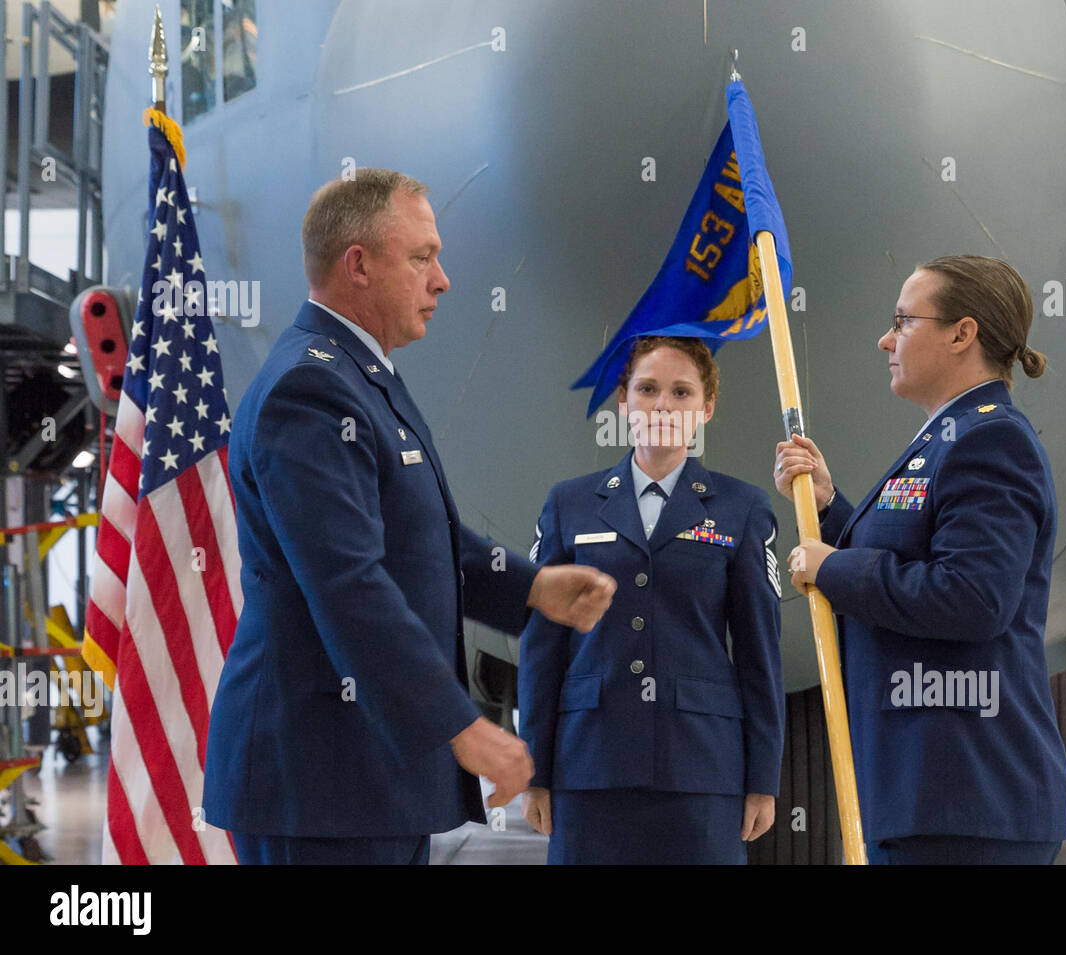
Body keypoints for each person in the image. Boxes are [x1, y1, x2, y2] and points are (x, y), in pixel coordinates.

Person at [202, 168, 616, 865]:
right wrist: (460, 722)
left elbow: (421, 537)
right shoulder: (309, 390)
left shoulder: (360, 375)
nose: (443, 279)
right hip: (318, 780)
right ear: (357, 264)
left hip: (367, 778)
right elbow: (347, 582)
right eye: (422, 256)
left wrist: (530, 588)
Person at [775, 254, 1066, 865]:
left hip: (965, 797)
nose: (886, 338)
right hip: (923, 794)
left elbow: (972, 598)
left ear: (962, 334)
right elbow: (915, 550)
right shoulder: (949, 435)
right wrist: (830, 508)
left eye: (904, 321)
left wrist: (831, 568)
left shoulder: (991, 439)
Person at [518, 336, 784, 864]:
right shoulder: (569, 504)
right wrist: (535, 770)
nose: (663, 404)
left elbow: (760, 655)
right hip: (589, 763)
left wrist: (763, 779)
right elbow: (541, 646)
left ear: (707, 407)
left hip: (702, 769)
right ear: (624, 402)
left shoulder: (742, 509)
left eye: (682, 392)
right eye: (647, 388)